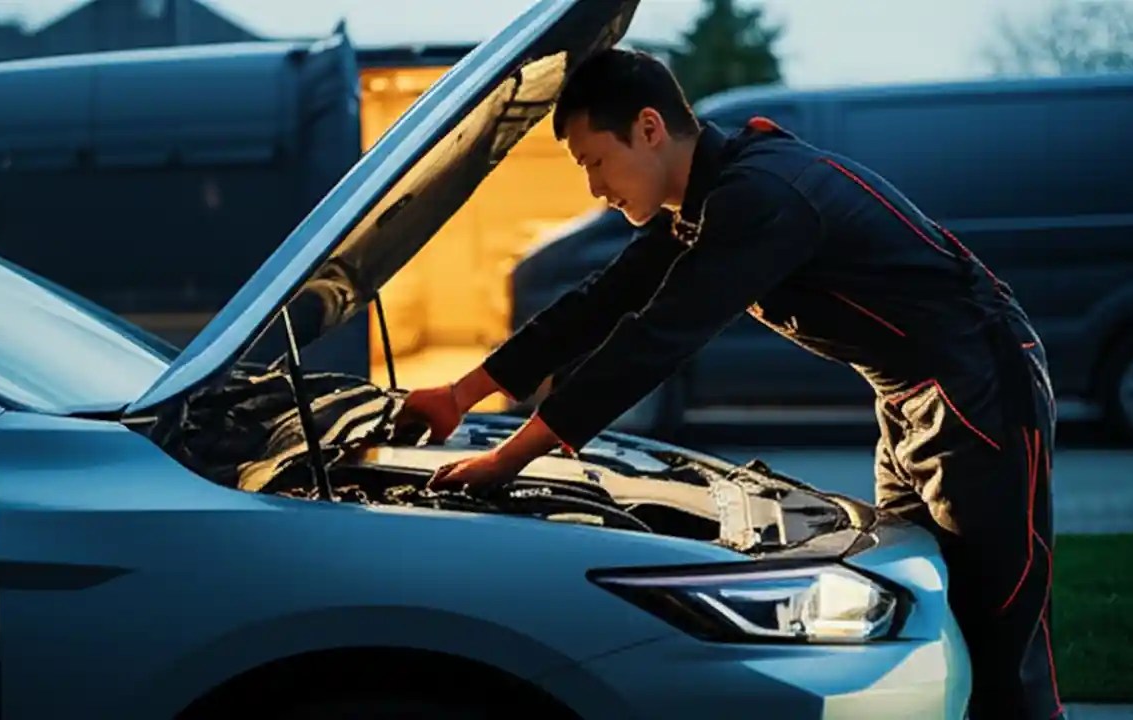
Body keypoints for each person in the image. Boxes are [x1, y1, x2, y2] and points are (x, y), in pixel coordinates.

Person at [395, 48, 1061, 718]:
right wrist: (459, 395)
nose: (594, 188)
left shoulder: (760, 196)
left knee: (999, 637)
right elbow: (600, 302)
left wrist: (509, 458)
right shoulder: (710, 198)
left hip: (979, 386)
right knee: (922, 612)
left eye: (594, 161)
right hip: (908, 400)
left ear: (650, 128)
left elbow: (658, 338)